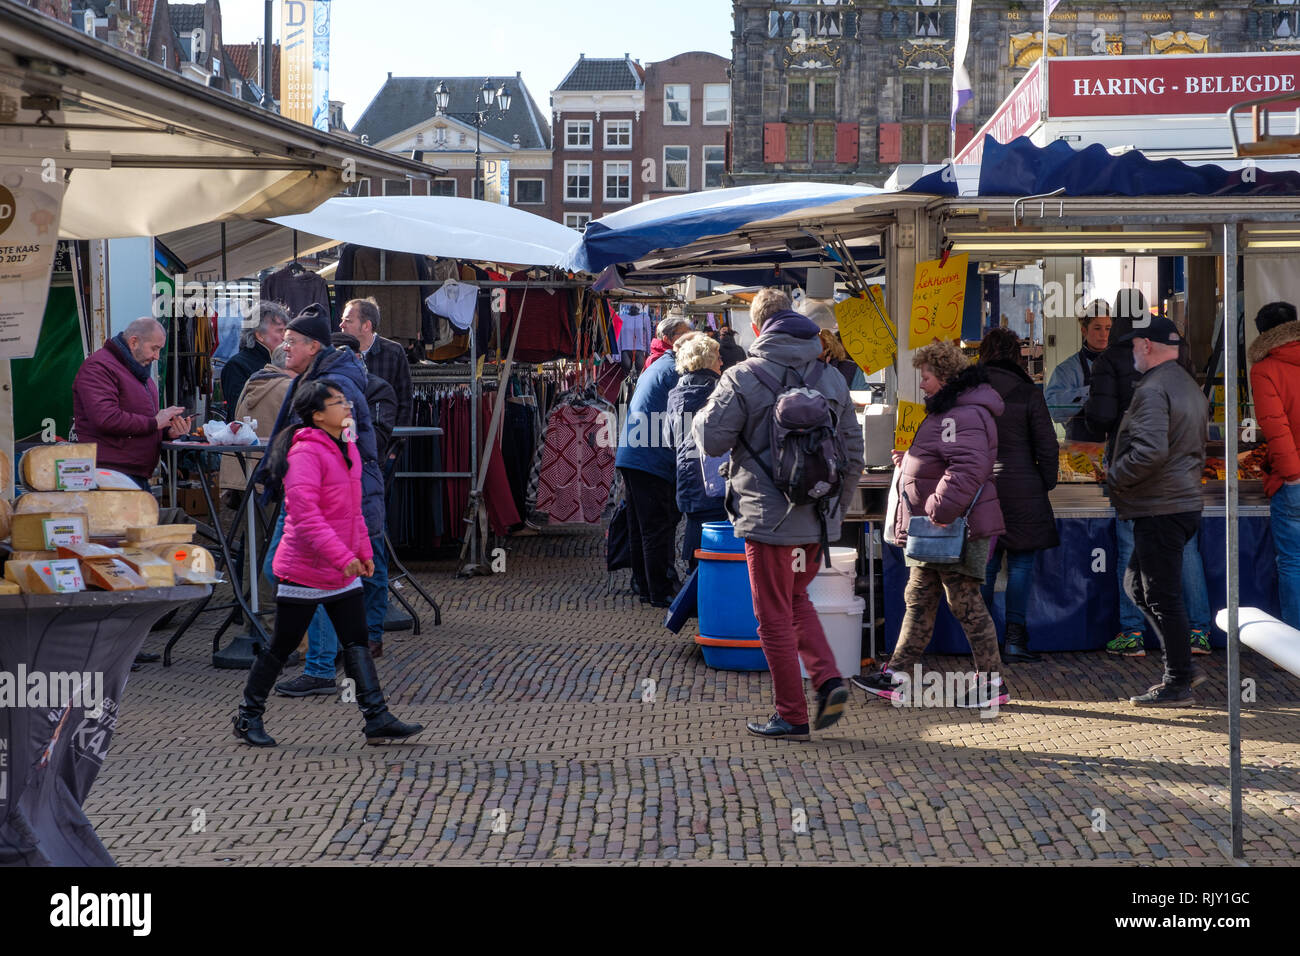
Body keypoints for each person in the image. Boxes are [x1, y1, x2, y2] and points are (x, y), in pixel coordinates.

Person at [694, 288, 864, 740]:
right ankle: (827, 680)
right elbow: (853, 453)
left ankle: (791, 714)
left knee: (772, 615)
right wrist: (833, 512)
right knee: (794, 601)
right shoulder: (831, 379)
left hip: (768, 522)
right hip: (815, 521)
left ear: (757, 328)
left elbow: (711, 441)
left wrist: (701, 414)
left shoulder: (741, 376)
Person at [232, 380, 422, 746]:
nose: (348, 406)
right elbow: (306, 516)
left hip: (340, 570)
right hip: (305, 569)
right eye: (338, 402)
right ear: (318, 415)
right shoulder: (306, 453)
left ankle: (376, 717)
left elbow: (352, 513)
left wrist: (363, 553)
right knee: (282, 645)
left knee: (356, 642)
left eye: (345, 400)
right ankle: (247, 715)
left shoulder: (345, 447)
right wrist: (344, 556)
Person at [854, 340, 1009, 709]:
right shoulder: (952, 410)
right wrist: (910, 459)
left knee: (965, 603)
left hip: (952, 528)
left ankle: (991, 684)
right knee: (919, 599)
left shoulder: (961, 414)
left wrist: (939, 511)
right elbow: (946, 456)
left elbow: (968, 469)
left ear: (943, 377)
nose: (921, 385)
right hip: (939, 529)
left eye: (925, 377)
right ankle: (897, 676)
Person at [255, 305, 389, 698]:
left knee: (304, 578)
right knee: (307, 579)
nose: (284, 348)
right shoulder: (322, 378)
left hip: (322, 501)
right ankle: (326, 672)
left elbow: (346, 449)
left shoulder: (333, 386)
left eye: (292, 342)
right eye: (284, 341)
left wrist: (304, 477)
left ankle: (319, 670)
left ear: (314, 346)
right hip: (317, 498)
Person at [1088, 291, 1213, 657]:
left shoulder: (1116, 358)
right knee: (1185, 551)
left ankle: (1133, 633)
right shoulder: (1177, 356)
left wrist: (1117, 475)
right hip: (1182, 469)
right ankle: (1198, 632)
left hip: (1140, 471)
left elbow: (1101, 419)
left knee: (1132, 549)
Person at [1107, 315, 1209, 706]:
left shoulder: (1153, 389)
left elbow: (1149, 452)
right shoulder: (1187, 385)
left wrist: (1115, 475)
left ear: (1147, 346)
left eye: (1135, 344)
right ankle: (1182, 669)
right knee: (1139, 586)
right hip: (1176, 502)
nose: (1133, 351)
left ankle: (1178, 679)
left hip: (1160, 506)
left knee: (1161, 595)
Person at [976, 328, 1058, 663]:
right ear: (1016, 354)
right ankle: (1015, 639)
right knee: (1021, 564)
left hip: (982, 489)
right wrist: (1045, 482)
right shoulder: (1028, 392)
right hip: (1024, 489)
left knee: (986, 564)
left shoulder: (969, 390)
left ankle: (982, 641)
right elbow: (1048, 446)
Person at [616, 317, 688, 607]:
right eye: (688, 337)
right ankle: (660, 590)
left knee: (641, 526)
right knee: (657, 525)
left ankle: (645, 585)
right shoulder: (673, 369)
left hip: (635, 454)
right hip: (649, 457)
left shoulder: (657, 363)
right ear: (675, 341)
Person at [71, 317, 191, 490]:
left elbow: (143, 419)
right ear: (134, 342)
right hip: (110, 477)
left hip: (131, 474)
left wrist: (167, 431)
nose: (157, 356)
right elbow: (106, 418)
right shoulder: (98, 367)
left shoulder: (137, 370)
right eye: (154, 349)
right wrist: (156, 422)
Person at [1248, 301, 1300, 630]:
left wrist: (1292, 477)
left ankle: (1295, 642)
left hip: (1293, 481)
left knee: (1294, 562)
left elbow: (1276, 428)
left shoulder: (1265, 368)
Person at [666, 332, 727, 570]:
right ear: (708, 359)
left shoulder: (675, 393)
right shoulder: (720, 391)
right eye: (718, 357)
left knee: (695, 532)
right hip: (715, 476)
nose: (722, 362)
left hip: (687, 475)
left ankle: (695, 588)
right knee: (716, 540)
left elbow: (669, 439)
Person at [339, 297, 412, 475]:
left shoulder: (393, 352)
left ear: (366, 326)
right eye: (342, 320)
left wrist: (396, 447)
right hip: (344, 445)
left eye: (348, 321)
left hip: (382, 447)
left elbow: (405, 402)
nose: (341, 325)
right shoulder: (337, 352)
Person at [220, 343, 295, 498]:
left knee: (257, 519)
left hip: (245, 474)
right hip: (274, 475)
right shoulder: (288, 387)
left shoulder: (253, 381)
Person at [1044, 298, 1110, 440]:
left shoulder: (1121, 366)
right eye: (1097, 328)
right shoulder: (1067, 370)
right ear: (1084, 330)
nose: (1104, 334)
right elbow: (1053, 408)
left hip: (1114, 448)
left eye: (1108, 328)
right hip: (1079, 451)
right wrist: (1090, 392)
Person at [221, 302, 289, 420]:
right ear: (260, 335)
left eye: (286, 331)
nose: (285, 337)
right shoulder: (237, 365)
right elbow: (239, 410)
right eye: (279, 331)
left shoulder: (286, 362)